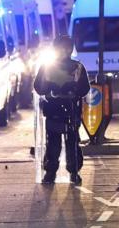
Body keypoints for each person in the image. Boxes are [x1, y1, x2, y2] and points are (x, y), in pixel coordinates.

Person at [34, 35, 90, 185]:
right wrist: (50, 87)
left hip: (71, 108)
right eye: (61, 47)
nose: (64, 51)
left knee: (72, 143)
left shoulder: (77, 67)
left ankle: (74, 171)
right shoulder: (47, 66)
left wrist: (73, 88)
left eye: (67, 47)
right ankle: (50, 172)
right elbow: (38, 86)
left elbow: (85, 88)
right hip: (53, 109)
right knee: (53, 143)